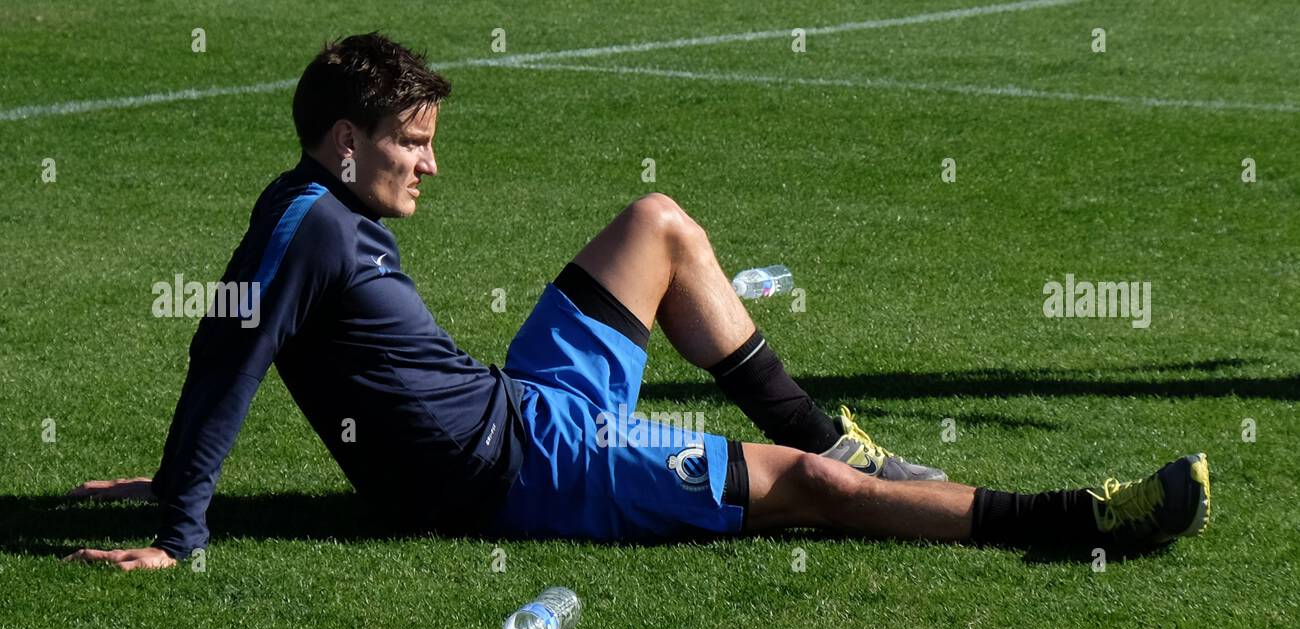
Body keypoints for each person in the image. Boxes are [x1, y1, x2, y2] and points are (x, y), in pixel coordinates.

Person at [65, 33, 1211, 572]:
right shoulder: (304, 225)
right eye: (410, 145)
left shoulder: (307, 207)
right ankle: (1076, 519)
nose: (428, 165)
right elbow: (228, 350)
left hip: (517, 405)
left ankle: (837, 434)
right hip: (518, 466)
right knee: (808, 494)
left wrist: (175, 478)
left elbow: (241, 341)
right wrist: (181, 527)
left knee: (656, 223)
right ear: (344, 140)